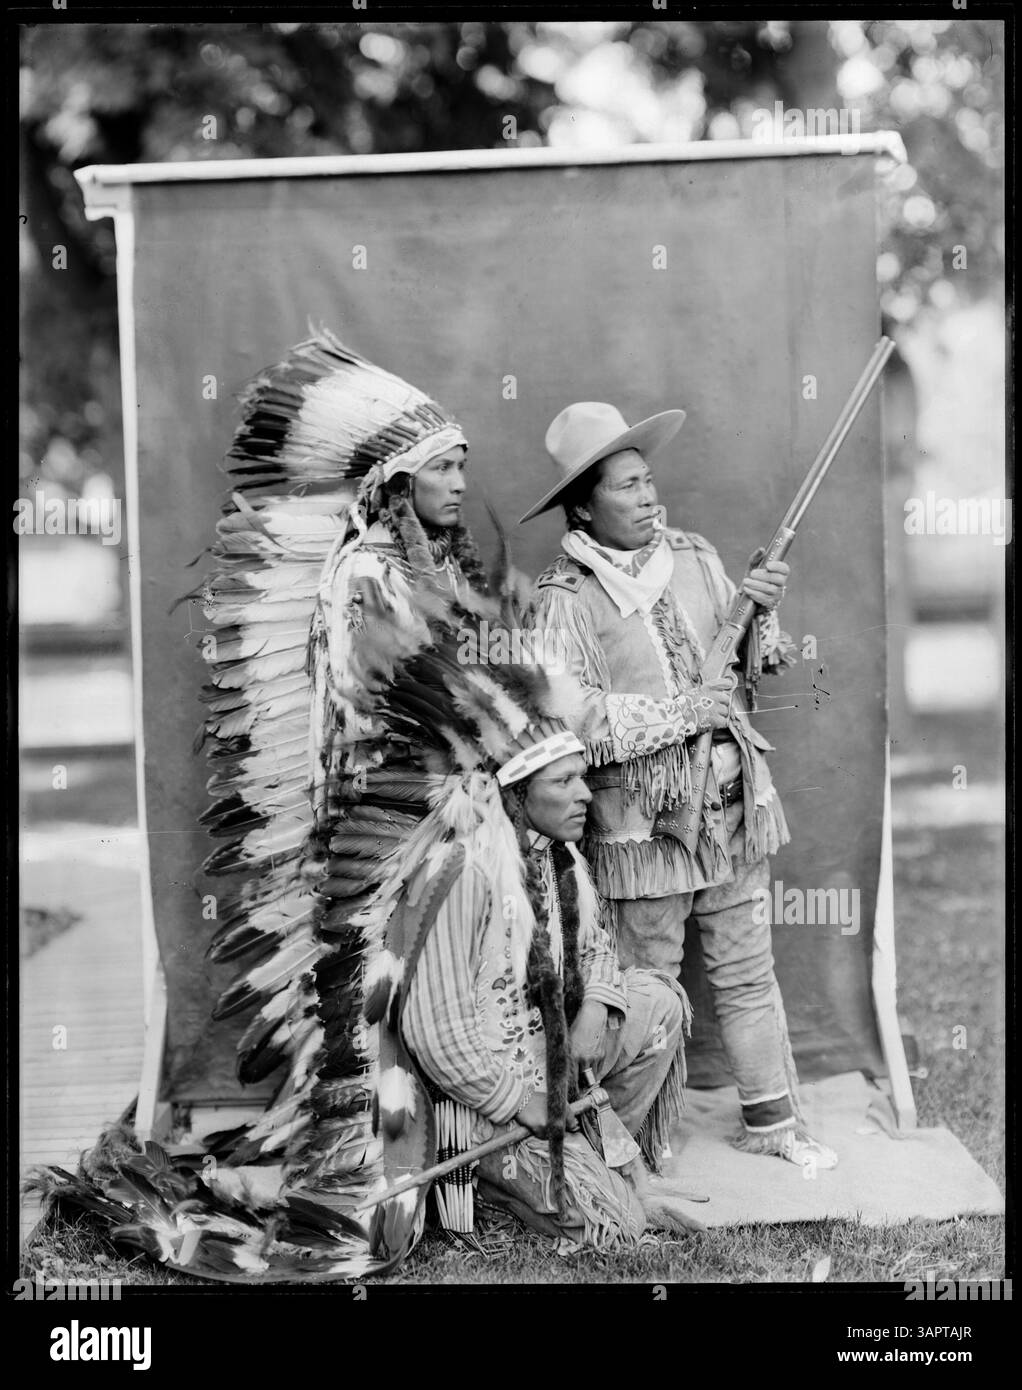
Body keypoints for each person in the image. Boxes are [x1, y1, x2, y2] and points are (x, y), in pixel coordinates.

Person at [521, 400, 837, 1169]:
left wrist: (762, 613)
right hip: (640, 830)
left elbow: (760, 665)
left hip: (731, 809)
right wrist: (684, 711)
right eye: (625, 487)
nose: (646, 498)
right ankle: (632, 1138)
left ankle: (773, 1125)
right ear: (584, 505)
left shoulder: (694, 557)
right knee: (646, 986)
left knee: (746, 971)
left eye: (648, 480)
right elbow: (581, 723)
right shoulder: (563, 599)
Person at [398, 727, 700, 1247]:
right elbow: (432, 1032)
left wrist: (597, 1006)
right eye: (565, 780)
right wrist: (518, 1101)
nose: (585, 794)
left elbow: (598, 945)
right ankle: (501, 1180)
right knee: (620, 1220)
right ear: (517, 793)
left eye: (582, 778)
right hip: (484, 1102)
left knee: (660, 1001)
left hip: (556, 1070)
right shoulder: (465, 872)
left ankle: (590, 1141)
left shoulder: (560, 857)